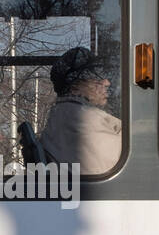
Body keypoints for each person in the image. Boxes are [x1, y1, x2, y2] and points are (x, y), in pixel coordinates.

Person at [39, 46, 121, 174]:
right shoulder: (81, 117)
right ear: (74, 87)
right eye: (95, 79)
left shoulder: (63, 113)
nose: (106, 83)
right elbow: (124, 163)